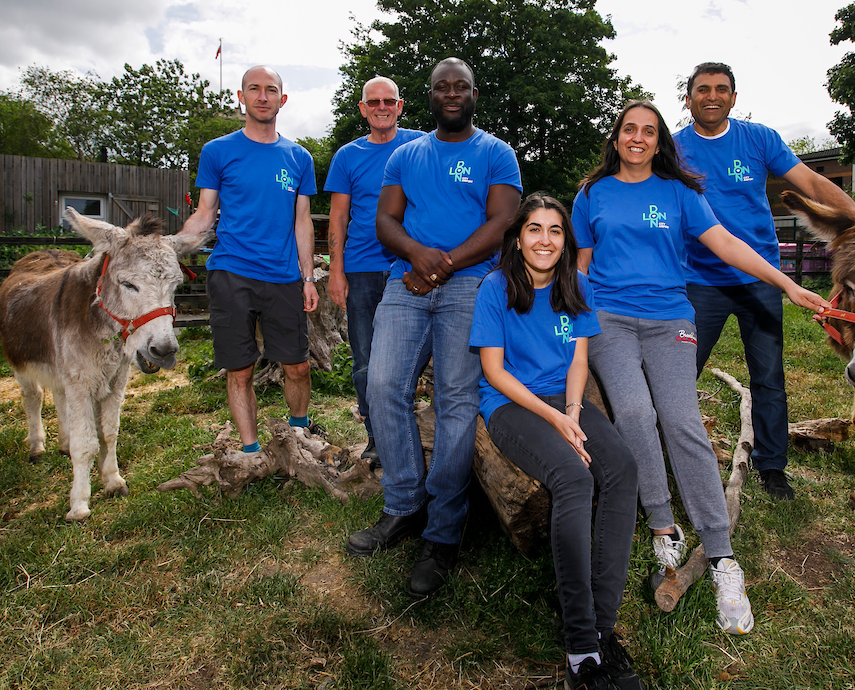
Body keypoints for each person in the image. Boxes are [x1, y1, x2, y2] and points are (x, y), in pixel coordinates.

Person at [573, 100, 829, 635]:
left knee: (682, 420)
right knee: (637, 415)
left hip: (670, 318)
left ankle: (722, 556)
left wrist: (786, 284)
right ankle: (663, 526)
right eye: (629, 130)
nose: (638, 138)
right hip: (610, 322)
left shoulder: (681, 193)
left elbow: (729, 244)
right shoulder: (591, 194)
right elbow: (580, 268)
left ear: (660, 140)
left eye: (648, 131)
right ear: (616, 137)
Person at [344, 57, 522, 599]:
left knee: (456, 399)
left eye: (460, 86)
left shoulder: (495, 152)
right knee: (380, 385)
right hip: (407, 281)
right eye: (442, 87)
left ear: (473, 93)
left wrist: (444, 264)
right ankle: (403, 504)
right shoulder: (406, 154)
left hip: (471, 285)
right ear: (429, 96)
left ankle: (444, 530)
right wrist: (420, 257)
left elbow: (502, 221)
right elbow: (385, 221)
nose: (451, 94)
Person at [471, 193, 643, 690]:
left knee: (621, 470)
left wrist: (572, 413)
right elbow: (494, 372)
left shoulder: (578, 284)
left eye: (555, 230)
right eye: (534, 229)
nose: (545, 239)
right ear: (519, 237)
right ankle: (580, 649)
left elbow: (577, 363)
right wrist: (552, 419)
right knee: (572, 478)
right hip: (511, 404)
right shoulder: (495, 287)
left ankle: (602, 628)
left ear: (565, 239)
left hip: (563, 400)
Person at [674, 63, 855, 501]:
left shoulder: (759, 139)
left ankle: (772, 466)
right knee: (682, 373)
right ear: (688, 100)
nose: (712, 96)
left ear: (734, 98)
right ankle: (675, 452)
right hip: (699, 279)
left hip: (761, 278)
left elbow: (812, 181)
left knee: (768, 377)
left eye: (722, 89)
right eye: (702, 90)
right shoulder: (674, 148)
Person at [180, 65, 319, 453]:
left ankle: (299, 435)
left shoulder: (299, 157)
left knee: (298, 366)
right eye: (254, 89)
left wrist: (308, 278)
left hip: (282, 276)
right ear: (241, 97)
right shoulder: (218, 151)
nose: (262, 96)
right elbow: (205, 213)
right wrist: (171, 246)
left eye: (270, 90)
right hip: (231, 273)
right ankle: (250, 449)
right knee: (240, 369)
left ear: (282, 99)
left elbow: (302, 220)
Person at [325, 76, 425, 468]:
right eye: (374, 102)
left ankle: (411, 426)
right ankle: (374, 435)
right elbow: (337, 216)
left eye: (389, 101)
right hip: (363, 268)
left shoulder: (421, 145)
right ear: (363, 109)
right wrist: (336, 270)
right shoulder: (347, 156)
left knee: (414, 357)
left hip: (409, 267)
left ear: (400, 107)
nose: (382, 107)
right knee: (365, 359)